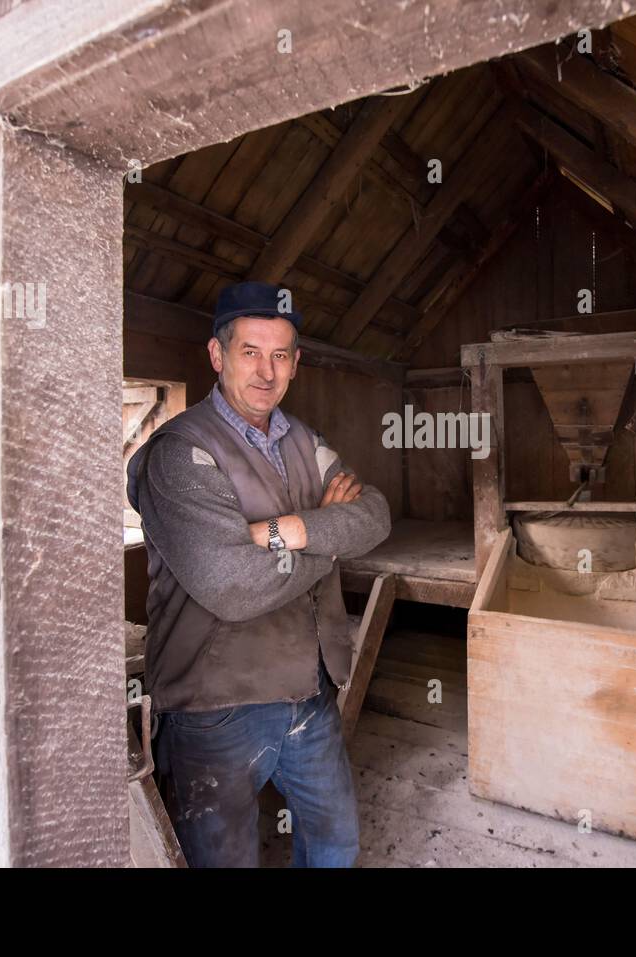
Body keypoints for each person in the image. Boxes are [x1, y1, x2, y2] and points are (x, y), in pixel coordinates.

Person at [126, 280, 391, 867]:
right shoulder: (181, 454)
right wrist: (327, 531)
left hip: (309, 691)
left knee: (334, 845)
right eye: (250, 352)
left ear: (296, 364)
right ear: (218, 356)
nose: (265, 371)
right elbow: (233, 587)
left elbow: (373, 515)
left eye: (279, 355)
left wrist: (287, 531)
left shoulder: (304, 440)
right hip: (217, 702)